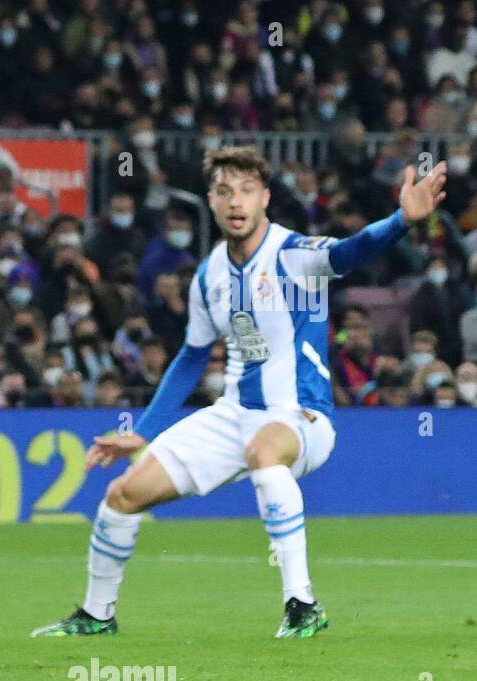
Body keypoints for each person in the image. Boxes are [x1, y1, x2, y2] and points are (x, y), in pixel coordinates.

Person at [32, 145, 447, 640]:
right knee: (123, 494)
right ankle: (98, 615)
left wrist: (401, 220)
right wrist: (141, 434)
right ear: (211, 200)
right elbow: (190, 357)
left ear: (265, 197)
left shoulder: (293, 255)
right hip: (234, 414)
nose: (236, 201)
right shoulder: (208, 276)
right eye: (225, 190)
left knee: (263, 449)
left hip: (301, 416)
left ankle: (302, 605)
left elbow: (348, 251)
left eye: (247, 190)